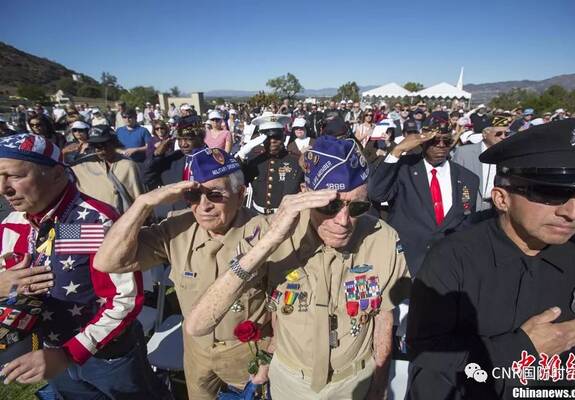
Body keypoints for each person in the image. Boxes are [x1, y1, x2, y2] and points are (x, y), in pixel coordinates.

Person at [185, 136, 409, 400]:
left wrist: (379, 387)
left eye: (358, 206)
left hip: (353, 383)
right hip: (290, 383)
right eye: (330, 205)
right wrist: (271, 240)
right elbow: (198, 325)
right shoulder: (270, 232)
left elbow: (384, 318)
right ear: (305, 193)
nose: (343, 221)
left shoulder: (382, 237)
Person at [406, 118, 575, 399]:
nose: (572, 212)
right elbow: (428, 355)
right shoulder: (453, 260)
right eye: (552, 192)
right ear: (501, 198)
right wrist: (521, 349)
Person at [94, 148, 272, 399]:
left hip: (248, 354)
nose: (203, 206)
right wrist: (143, 203)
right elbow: (107, 262)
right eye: (193, 195)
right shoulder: (178, 227)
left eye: (215, 194)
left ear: (240, 194)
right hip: (196, 352)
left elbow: (286, 306)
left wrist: (267, 360)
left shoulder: (266, 233)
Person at [0, 133, 166, 399]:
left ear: (56, 174)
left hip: (108, 357)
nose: (3, 188)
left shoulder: (94, 221)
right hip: (48, 353)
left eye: (16, 176)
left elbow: (124, 299)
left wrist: (68, 354)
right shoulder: (12, 222)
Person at [368, 122, 479, 275]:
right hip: (407, 265)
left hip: (448, 266)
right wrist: (397, 150)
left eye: (446, 141)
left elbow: (466, 225)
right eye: (434, 141)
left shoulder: (468, 178)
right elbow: (377, 193)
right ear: (422, 142)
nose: (440, 146)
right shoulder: (404, 169)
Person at [71, 125, 145, 213]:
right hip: (95, 221)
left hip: (124, 220)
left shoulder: (128, 166)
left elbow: (140, 197)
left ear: (113, 143)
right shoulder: (82, 166)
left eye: (102, 144)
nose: (98, 149)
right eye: (94, 145)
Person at [243, 114, 304, 215]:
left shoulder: (295, 161)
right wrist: (242, 154)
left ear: (283, 137)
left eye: (277, 136)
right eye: (268, 137)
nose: (272, 141)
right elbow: (237, 181)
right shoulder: (254, 159)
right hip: (257, 215)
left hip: (286, 215)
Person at [452, 113, 511, 211]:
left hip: (495, 209)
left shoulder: (507, 156)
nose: (503, 137)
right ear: (485, 134)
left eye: (506, 134)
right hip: (468, 208)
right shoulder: (464, 153)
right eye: (499, 134)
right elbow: (453, 181)